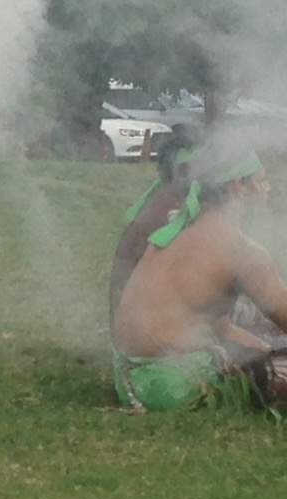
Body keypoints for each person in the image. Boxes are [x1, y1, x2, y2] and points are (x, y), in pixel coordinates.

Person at [113, 144, 287, 411]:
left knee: (263, 340)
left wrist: (261, 347)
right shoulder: (241, 250)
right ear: (239, 185)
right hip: (173, 386)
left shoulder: (178, 231)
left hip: (129, 380)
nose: (268, 190)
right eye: (262, 182)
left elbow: (208, 319)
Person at [107, 133, 195, 324]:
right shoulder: (167, 208)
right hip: (139, 324)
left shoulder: (168, 197)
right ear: (179, 172)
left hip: (139, 316)